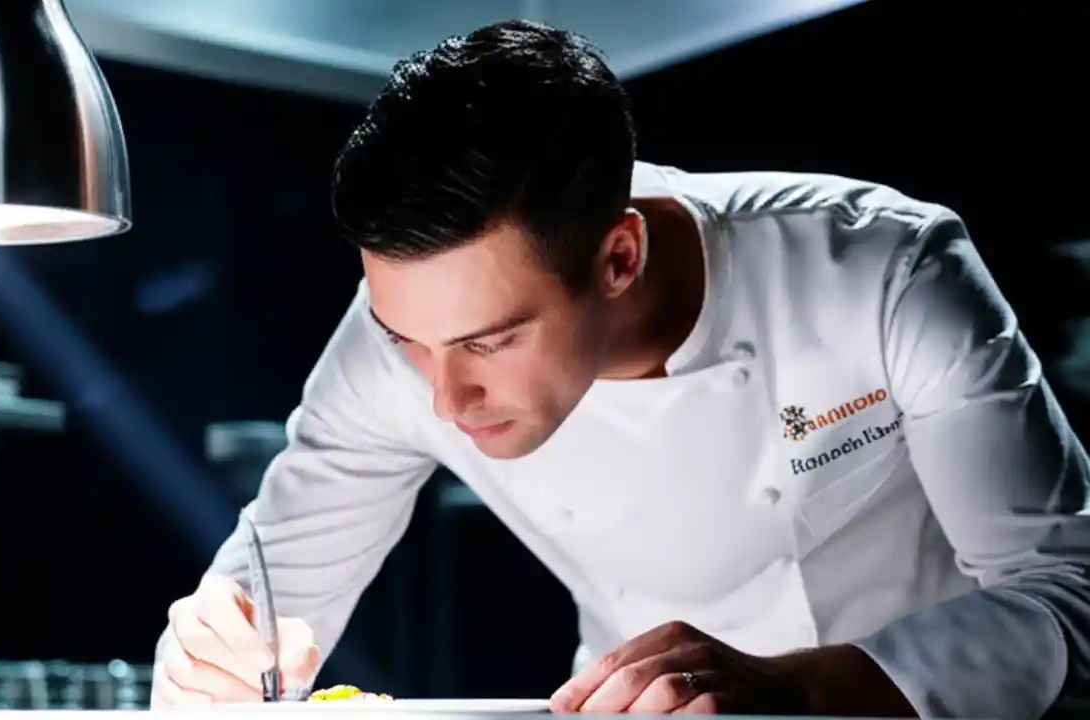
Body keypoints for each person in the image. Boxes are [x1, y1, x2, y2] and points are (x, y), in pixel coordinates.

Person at [151, 19, 1090, 717]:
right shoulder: (391, 346)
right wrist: (212, 658)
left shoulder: (882, 270)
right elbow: (260, 600)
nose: (443, 395)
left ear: (619, 258)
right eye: (408, 343)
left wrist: (798, 687)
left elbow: (1067, 596)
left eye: (489, 341)